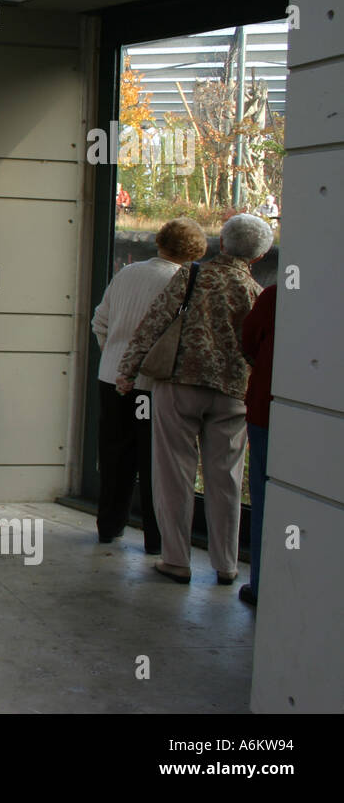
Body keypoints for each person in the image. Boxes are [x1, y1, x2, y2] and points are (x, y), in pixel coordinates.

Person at [117, 213, 272, 586]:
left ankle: (176, 560)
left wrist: (128, 370)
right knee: (226, 480)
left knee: (174, 473)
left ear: (222, 242)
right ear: (258, 257)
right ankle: (226, 564)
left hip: (180, 382)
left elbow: (154, 322)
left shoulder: (192, 275)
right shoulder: (255, 291)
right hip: (233, 393)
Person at [90, 217, 208, 553]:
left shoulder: (127, 273)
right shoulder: (183, 282)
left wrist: (114, 355)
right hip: (152, 387)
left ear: (160, 241)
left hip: (111, 378)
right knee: (155, 460)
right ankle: (156, 540)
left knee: (114, 455)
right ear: (194, 251)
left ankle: (109, 527)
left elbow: (101, 320)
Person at [240, 282, 277, 607]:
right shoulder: (255, 287)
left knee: (266, 498)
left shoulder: (278, 294)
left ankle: (261, 584)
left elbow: (249, 342)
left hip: (268, 409)